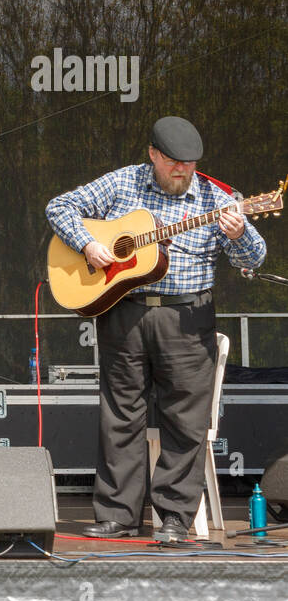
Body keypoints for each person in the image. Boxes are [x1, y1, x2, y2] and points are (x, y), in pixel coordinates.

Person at [46, 116, 266, 542]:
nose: (183, 171)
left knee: (185, 420)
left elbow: (253, 259)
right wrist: (88, 244)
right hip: (124, 312)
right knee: (120, 416)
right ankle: (118, 515)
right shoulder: (123, 182)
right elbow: (59, 207)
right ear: (153, 155)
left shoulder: (217, 197)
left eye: (190, 164)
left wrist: (239, 236)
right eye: (174, 163)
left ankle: (175, 518)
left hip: (186, 318)